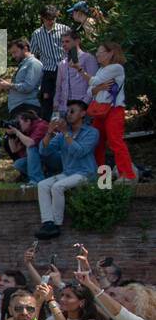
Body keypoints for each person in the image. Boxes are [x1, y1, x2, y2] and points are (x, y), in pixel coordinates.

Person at [34, 100, 100, 240]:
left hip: (85, 172)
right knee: (42, 185)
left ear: (82, 114)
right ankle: (48, 222)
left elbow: (80, 152)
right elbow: (44, 151)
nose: (68, 114)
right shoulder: (63, 134)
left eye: (72, 111)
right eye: (67, 111)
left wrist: (65, 134)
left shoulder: (92, 132)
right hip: (68, 173)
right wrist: (49, 133)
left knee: (58, 187)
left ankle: (56, 225)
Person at [88, 40, 136, 181]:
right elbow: (90, 91)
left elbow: (93, 82)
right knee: (97, 143)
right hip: (99, 111)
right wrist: (98, 87)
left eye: (100, 52)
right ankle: (103, 177)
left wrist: (82, 72)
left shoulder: (116, 67)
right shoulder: (101, 69)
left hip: (114, 110)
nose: (97, 54)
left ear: (110, 53)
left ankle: (127, 174)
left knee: (115, 141)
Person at [30, 4, 69, 120]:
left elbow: (72, 47)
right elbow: (33, 54)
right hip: (48, 71)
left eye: (53, 19)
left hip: (65, 68)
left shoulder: (65, 29)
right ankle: (47, 124)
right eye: (47, 19)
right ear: (42, 18)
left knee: (65, 96)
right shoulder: (37, 34)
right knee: (47, 98)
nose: (50, 22)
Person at [53, 28, 97, 119]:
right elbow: (58, 87)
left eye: (67, 41)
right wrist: (56, 103)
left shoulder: (88, 58)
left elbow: (94, 83)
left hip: (82, 108)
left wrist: (84, 103)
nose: (64, 44)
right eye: (63, 42)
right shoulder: (62, 63)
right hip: (64, 108)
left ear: (77, 41)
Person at [5, 108, 54, 185]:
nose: (18, 125)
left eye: (19, 123)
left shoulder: (41, 125)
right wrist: (10, 135)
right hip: (41, 160)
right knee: (19, 164)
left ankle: (36, 181)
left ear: (28, 121)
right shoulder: (25, 132)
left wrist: (17, 132)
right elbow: (14, 149)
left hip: (53, 157)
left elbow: (31, 144)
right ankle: (45, 178)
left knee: (31, 148)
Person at [0, 39, 43, 117]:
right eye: (12, 53)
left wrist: (9, 85)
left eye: (15, 52)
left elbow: (28, 87)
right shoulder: (24, 64)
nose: (13, 56)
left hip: (27, 108)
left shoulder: (34, 63)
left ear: (25, 49)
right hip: (19, 108)